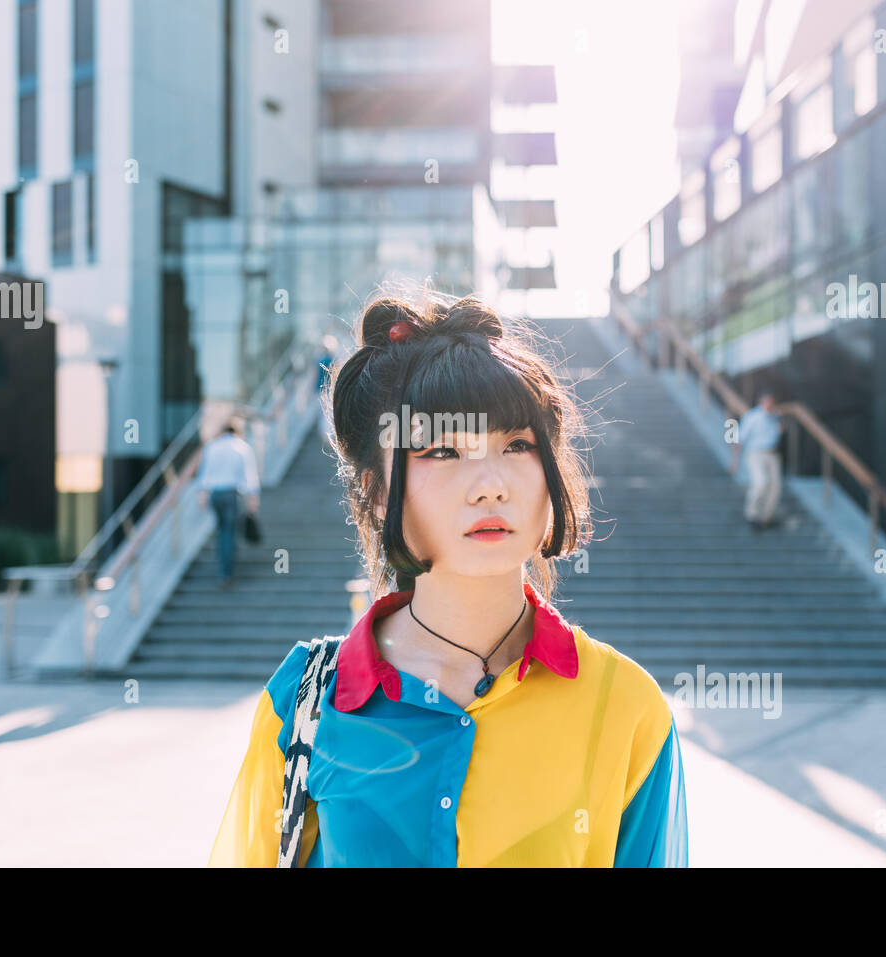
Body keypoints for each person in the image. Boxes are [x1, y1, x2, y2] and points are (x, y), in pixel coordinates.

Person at [208, 288, 688, 867]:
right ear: (378, 491)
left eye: (517, 444)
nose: (491, 484)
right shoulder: (307, 701)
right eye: (441, 451)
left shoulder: (625, 706)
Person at [196, 419, 260, 588]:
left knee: (222, 529)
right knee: (229, 531)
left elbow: (204, 475)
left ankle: (223, 564)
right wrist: (252, 500)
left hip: (215, 494)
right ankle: (226, 572)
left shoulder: (212, 447)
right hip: (232, 494)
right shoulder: (242, 447)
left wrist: (202, 495)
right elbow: (250, 477)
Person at [730, 391, 783, 530]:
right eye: (768, 402)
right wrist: (735, 462)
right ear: (762, 403)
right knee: (761, 482)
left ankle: (766, 517)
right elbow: (740, 438)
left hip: (772, 454)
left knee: (775, 486)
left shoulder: (776, 417)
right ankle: (752, 514)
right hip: (755, 453)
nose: (770, 405)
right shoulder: (753, 417)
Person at [316, 333, 338, 442]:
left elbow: (315, 375)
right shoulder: (332, 360)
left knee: (322, 412)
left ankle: (324, 434)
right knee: (329, 412)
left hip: (320, 389)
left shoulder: (319, 360)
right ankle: (329, 434)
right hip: (329, 388)